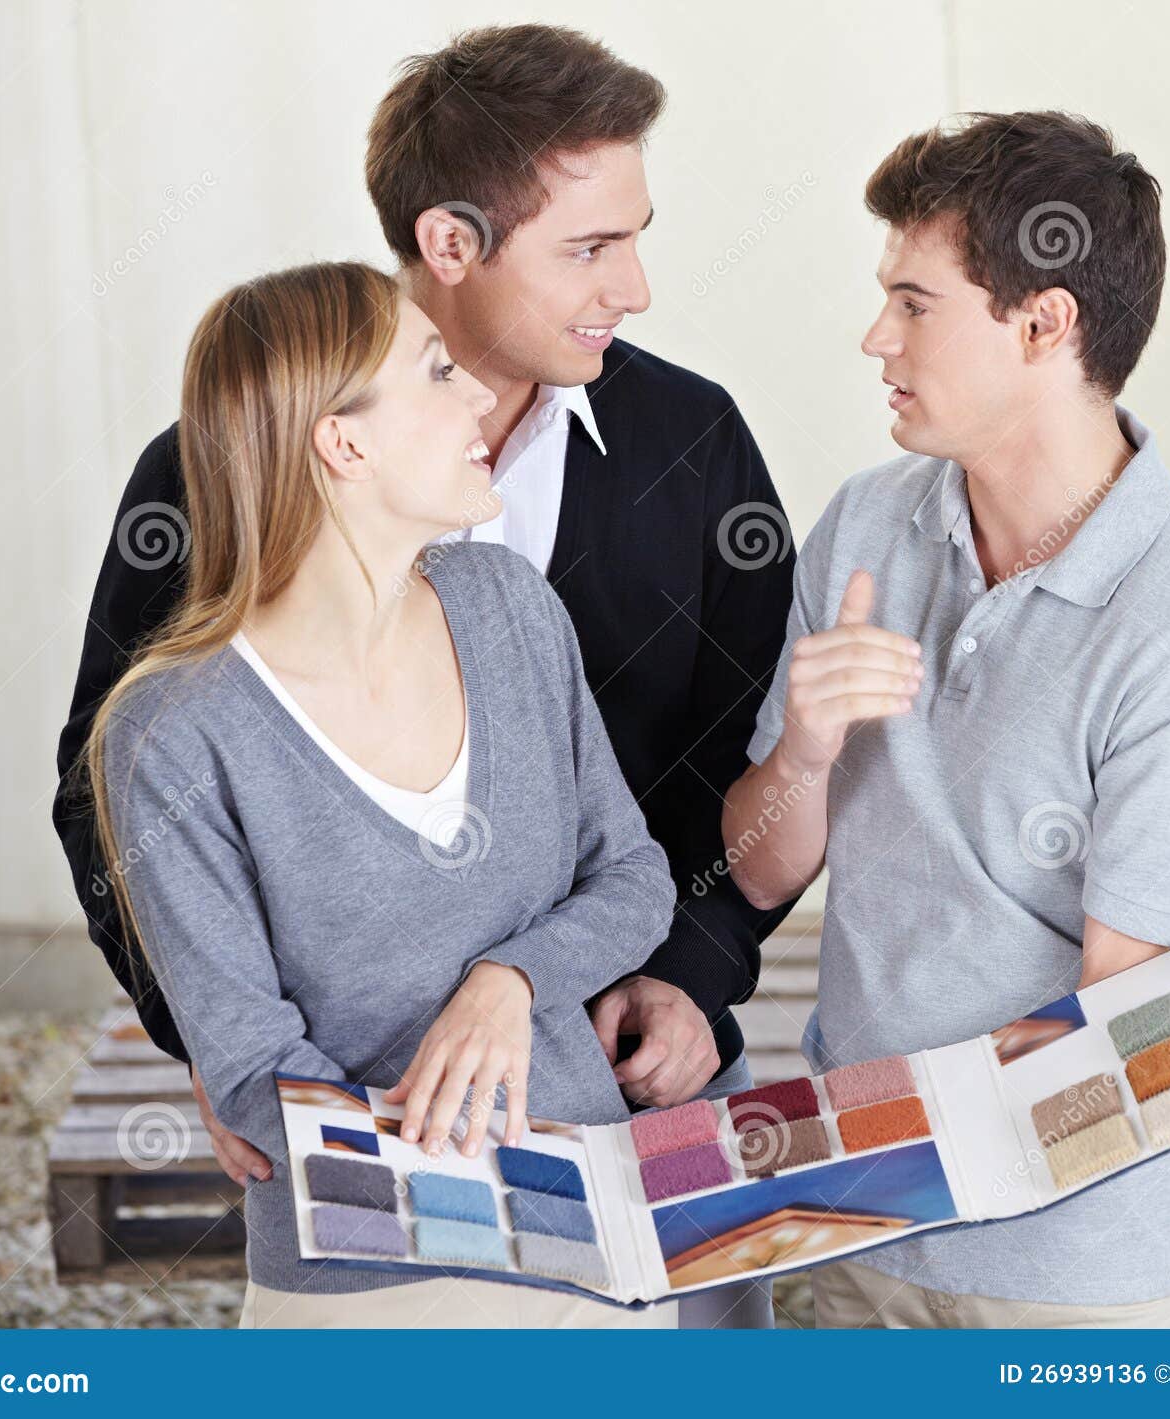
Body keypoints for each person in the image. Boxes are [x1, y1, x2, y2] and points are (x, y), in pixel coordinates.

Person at [54, 24, 795, 1328]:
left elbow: (733, 761)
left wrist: (691, 970)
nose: (635, 286)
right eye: (589, 247)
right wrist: (224, 1043)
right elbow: (114, 789)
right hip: (368, 1187)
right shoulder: (209, 476)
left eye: (636, 234)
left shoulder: (692, 450)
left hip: (624, 1086)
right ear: (452, 244)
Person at [723, 112, 1170, 1328]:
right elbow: (760, 868)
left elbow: (1120, 1034)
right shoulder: (867, 526)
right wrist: (810, 749)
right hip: (866, 1229)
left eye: (914, 305)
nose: (875, 338)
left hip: (1077, 1275)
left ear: (1043, 323)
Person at [89, 260, 679, 1327]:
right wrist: (491, 1199)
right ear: (343, 442)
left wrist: (507, 980)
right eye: (439, 371)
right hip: (369, 1285)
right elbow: (253, 1066)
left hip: (596, 1246)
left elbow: (633, 877)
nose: (476, 400)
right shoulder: (174, 730)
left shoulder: (510, 608)